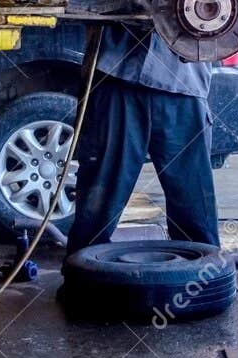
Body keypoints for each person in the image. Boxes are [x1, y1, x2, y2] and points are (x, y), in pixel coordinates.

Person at [65, 23, 220, 255]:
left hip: (183, 81)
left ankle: (205, 282)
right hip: (117, 72)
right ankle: (82, 280)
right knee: (99, 199)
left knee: (193, 202)